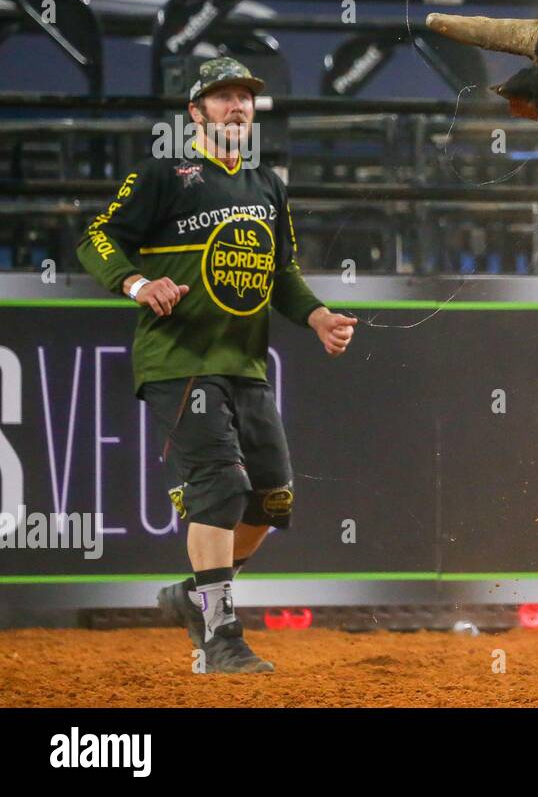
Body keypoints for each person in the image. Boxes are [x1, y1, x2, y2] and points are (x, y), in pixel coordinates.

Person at [75, 57, 359, 674]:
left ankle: (192, 594)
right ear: (194, 112)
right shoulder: (164, 175)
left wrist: (315, 317)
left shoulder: (267, 186)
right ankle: (219, 637)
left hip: (244, 364)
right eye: (222, 97)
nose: (236, 106)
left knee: (272, 498)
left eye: (245, 97)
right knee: (222, 487)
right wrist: (136, 282)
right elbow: (96, 235)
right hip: (179, 361)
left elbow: (282, 274)